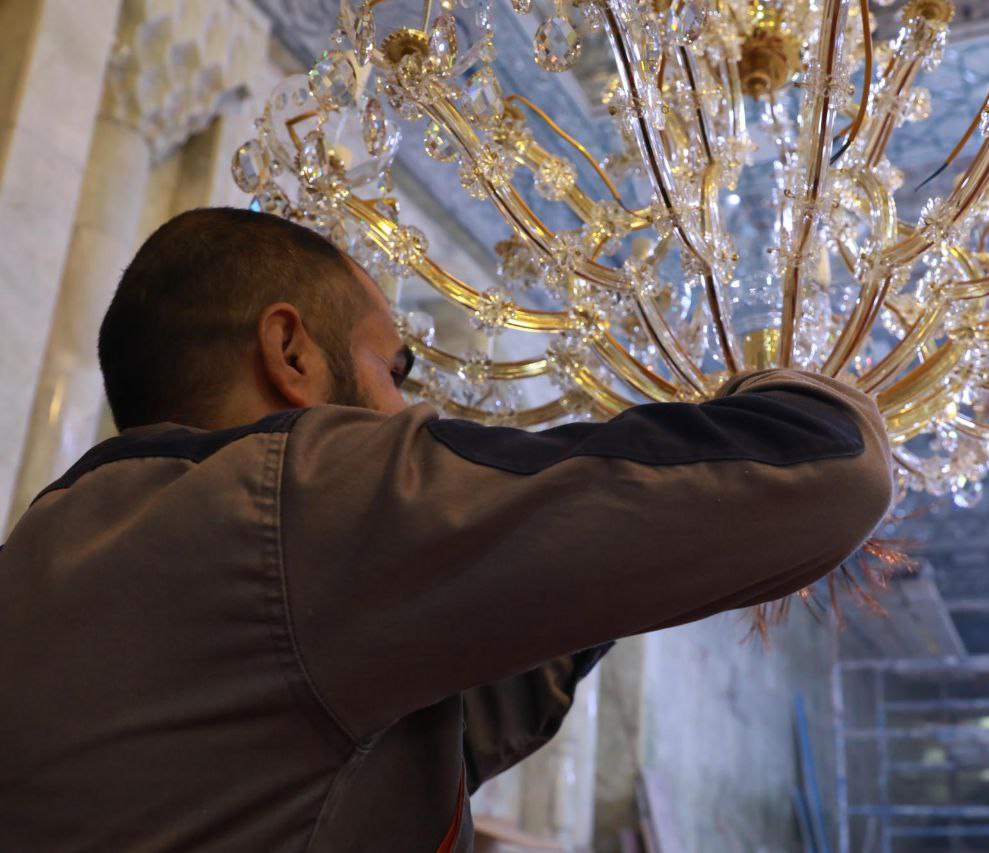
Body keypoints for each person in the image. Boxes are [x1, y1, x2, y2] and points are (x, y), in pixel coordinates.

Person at [0, 208, 893, 851]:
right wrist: (770, 388)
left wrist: (601, 577)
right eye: (394, 368)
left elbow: (395, 746)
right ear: (293, 354)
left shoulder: (49, 549)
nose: (412, 405)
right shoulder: (299, 498)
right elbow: (833, 463)